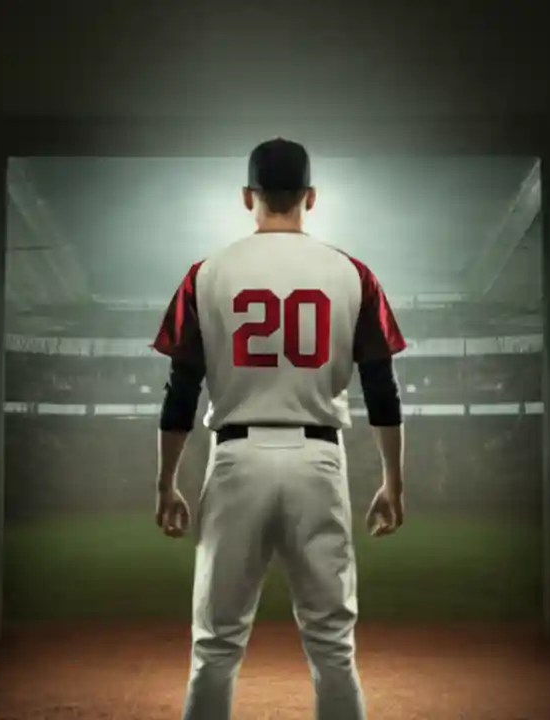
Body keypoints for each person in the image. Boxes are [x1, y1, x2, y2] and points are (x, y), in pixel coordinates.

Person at [150, 137, 408, 720]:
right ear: (310, 197)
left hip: (236, 458)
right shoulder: (352, 272)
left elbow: (180, 392)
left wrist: (166, 481)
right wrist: (394, 480)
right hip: (318, 458)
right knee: (333, 646)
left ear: (249, 196)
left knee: (215, 645)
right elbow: (382, 390)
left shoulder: (207, 272)